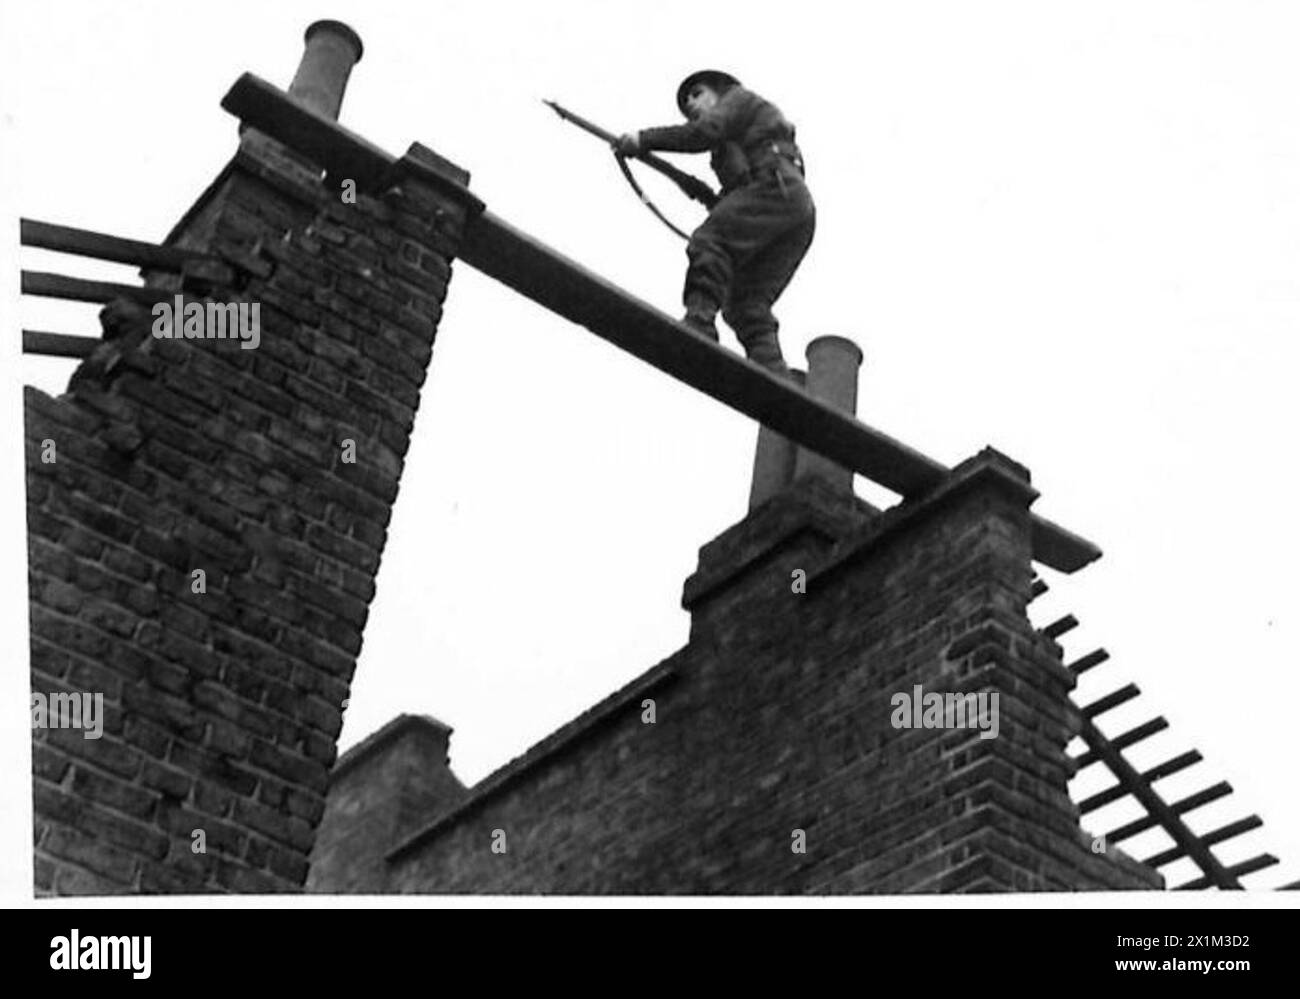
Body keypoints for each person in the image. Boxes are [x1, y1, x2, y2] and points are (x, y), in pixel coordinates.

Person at [615, 70, 814, 378]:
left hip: (777, 189)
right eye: (686, 103)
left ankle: (699, 322)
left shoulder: (738, 100)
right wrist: (700, 191)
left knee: (711, 241)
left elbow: (702, 134)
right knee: (745, 303)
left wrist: (644, 139)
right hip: (792, 211)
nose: (691, 105)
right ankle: (775, 377)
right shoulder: (729, 149)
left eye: (697, 94)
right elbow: (737, 199)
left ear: (720, 91)